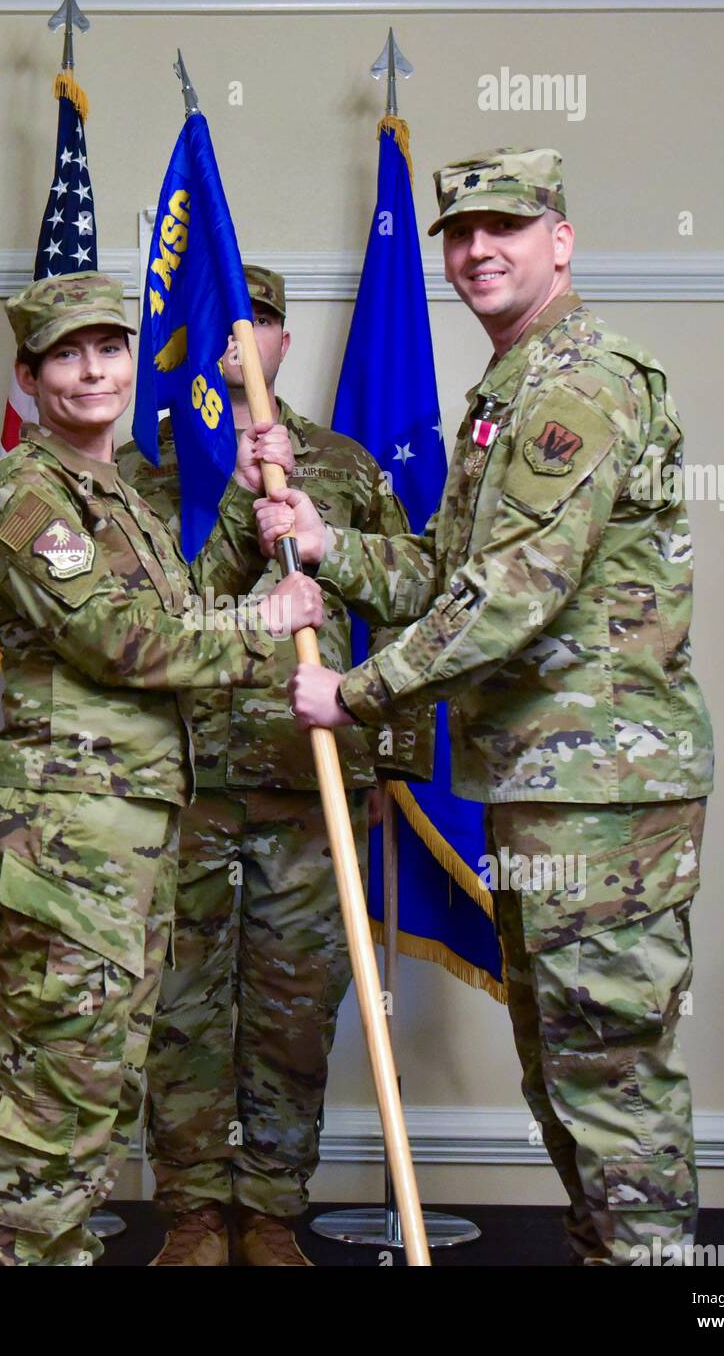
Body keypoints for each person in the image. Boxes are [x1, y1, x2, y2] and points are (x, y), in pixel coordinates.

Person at [253, 149, 715, 1266]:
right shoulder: (508, 393)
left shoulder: (579, 383)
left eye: (504, 226)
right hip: (541, 784)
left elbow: (512, 595)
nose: (476, 250)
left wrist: (351, 692)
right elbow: (445, 574)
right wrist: (324, 543)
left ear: (563, 238)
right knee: (565, 1065)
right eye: (458, 234)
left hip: (600, 790)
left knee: (605, 1071)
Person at [0, 270, 324, 1267]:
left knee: (108, 1078)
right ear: (29, 376)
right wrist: (265, 626)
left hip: (128, 828)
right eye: (67, 353)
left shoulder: (117, 497)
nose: (94, 370)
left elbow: (181, 606)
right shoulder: (26, 494)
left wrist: (252, 512)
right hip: (65, 830)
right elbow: (126, 642)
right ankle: (33, 1250)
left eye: (109, 348)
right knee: (63, 1084)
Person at [118, 264, 434, 1266]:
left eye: (260, 320)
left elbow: (411, 600)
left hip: (314, 787)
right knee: (183, 1010)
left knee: (296, 1015)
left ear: (286, 340)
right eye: (223, 324)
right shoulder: (144, 469)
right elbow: (134, 626)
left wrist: (387, 764)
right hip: (188, 779)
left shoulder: (343, 464)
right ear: (194, 344)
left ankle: (270, 1211)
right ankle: (193, 1214)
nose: (241, 339)